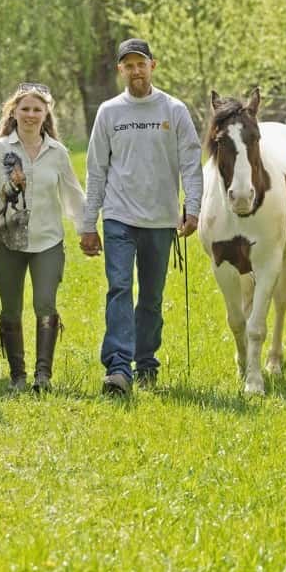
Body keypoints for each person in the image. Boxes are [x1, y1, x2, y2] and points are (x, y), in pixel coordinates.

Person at [77, 39, 202, 396]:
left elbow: (192, 162)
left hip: (162, 219)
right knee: (119, 289)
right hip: (119, 216)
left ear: (153, 66)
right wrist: (89, 225)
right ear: (120, 70)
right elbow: (96, 170)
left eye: (141, 64)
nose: (136, 71)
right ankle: (118, 368)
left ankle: (146, 362)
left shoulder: (173, 110)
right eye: (128, 65)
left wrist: (192, 207)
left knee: (151, 296)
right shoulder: (109, 112)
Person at [0, 82, 85, 392]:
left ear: (46, 113)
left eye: (37, 109)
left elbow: (73, 194)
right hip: (6, 242)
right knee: (10, 308)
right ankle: (18, 376)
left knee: (45, 303)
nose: (31, 115)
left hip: (47, 242)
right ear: (14, 112)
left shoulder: (57, 153)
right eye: (25, 109)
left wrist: (86, 230)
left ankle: (42, 376)